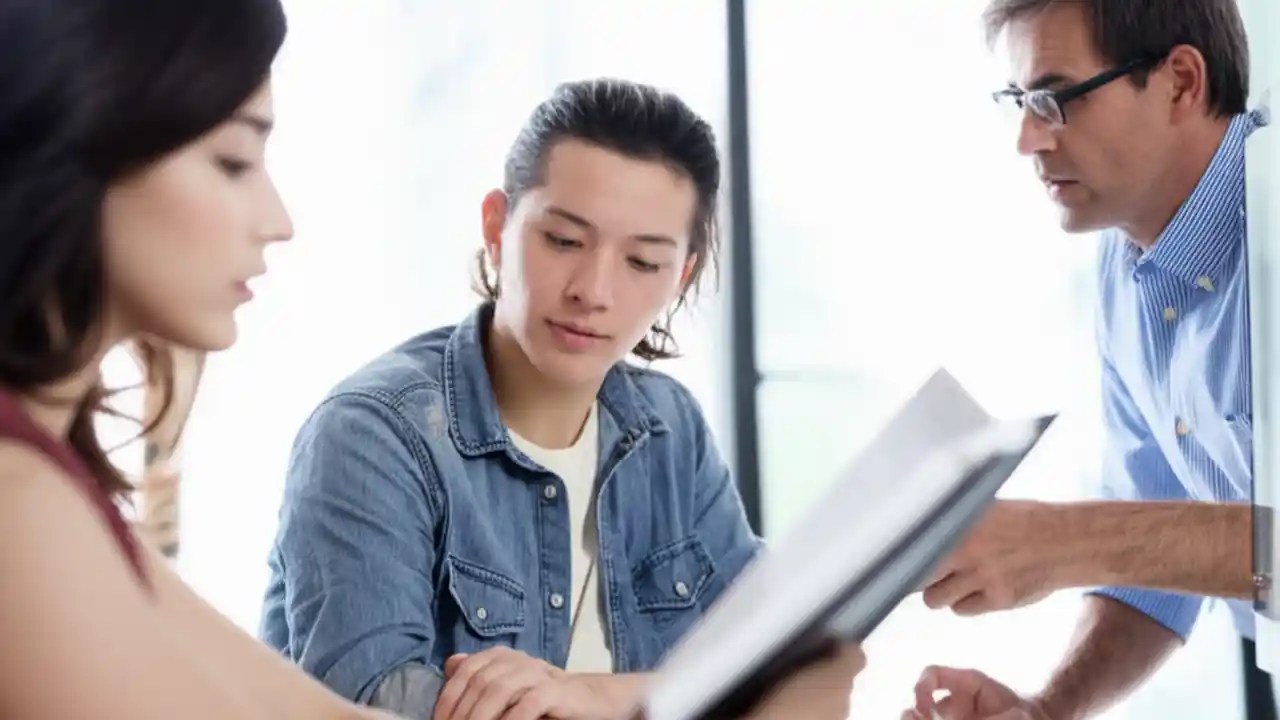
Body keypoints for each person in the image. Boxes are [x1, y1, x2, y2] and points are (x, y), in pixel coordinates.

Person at [259, 77, 864, 720]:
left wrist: (600, 698)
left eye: (643, 262)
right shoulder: (375, 435)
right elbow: (374, 705)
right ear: (497, 226)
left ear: (681, 274)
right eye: (565, 241)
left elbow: (796, 660)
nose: (594, 290)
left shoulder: (669, 429)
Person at [0, 1, 413, 718]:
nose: (277, 222)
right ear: (85, 133)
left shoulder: (53, 491)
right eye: (233, 161)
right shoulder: (17, 504)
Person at [908, 0, 1272, 718]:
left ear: (1179, 82)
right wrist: (1047, 709)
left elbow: (1134, 543)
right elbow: (1158, 555)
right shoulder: (1130, 259)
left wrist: (1064, 540)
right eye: (1019, 101)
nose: (1027, 139)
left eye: (1054, 98)